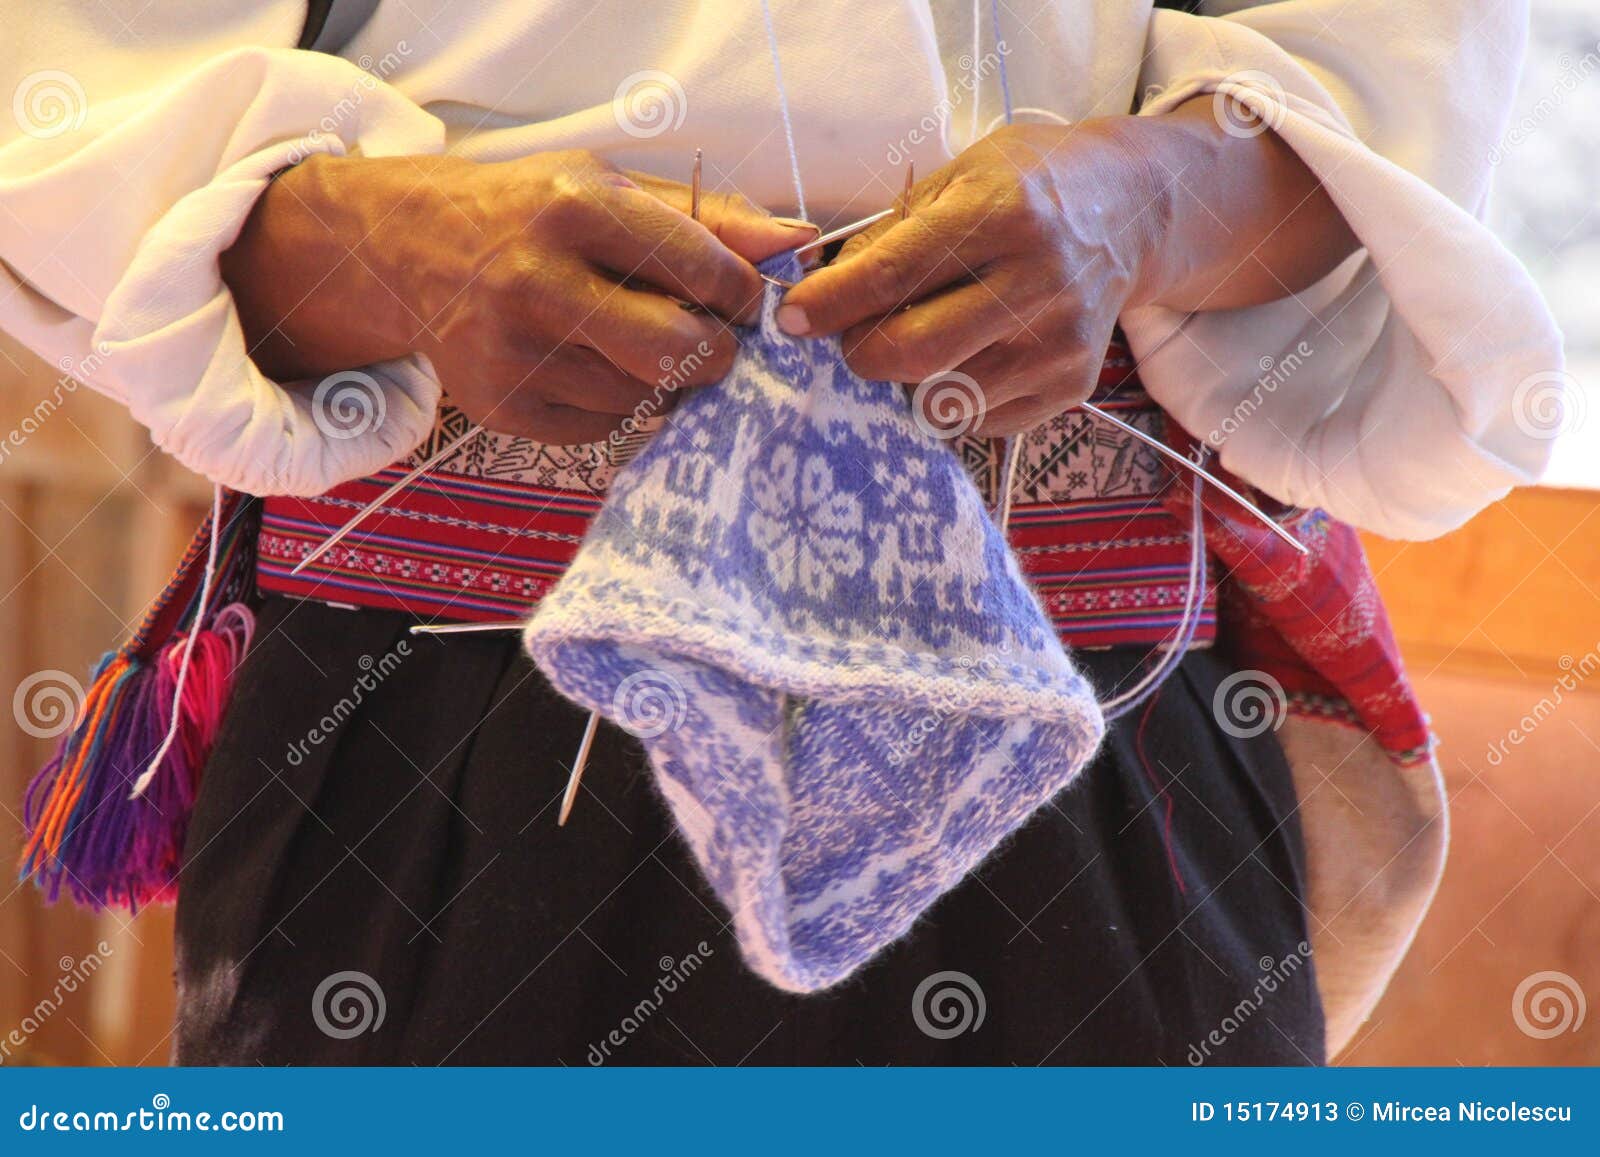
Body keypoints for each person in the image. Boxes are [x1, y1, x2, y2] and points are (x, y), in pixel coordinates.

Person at [0, 1, 1560, 1065]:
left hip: (1094, 708)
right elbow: (73, 91)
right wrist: (385, 247)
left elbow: (1386, 77)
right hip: (432, 713)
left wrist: (1138, 206)